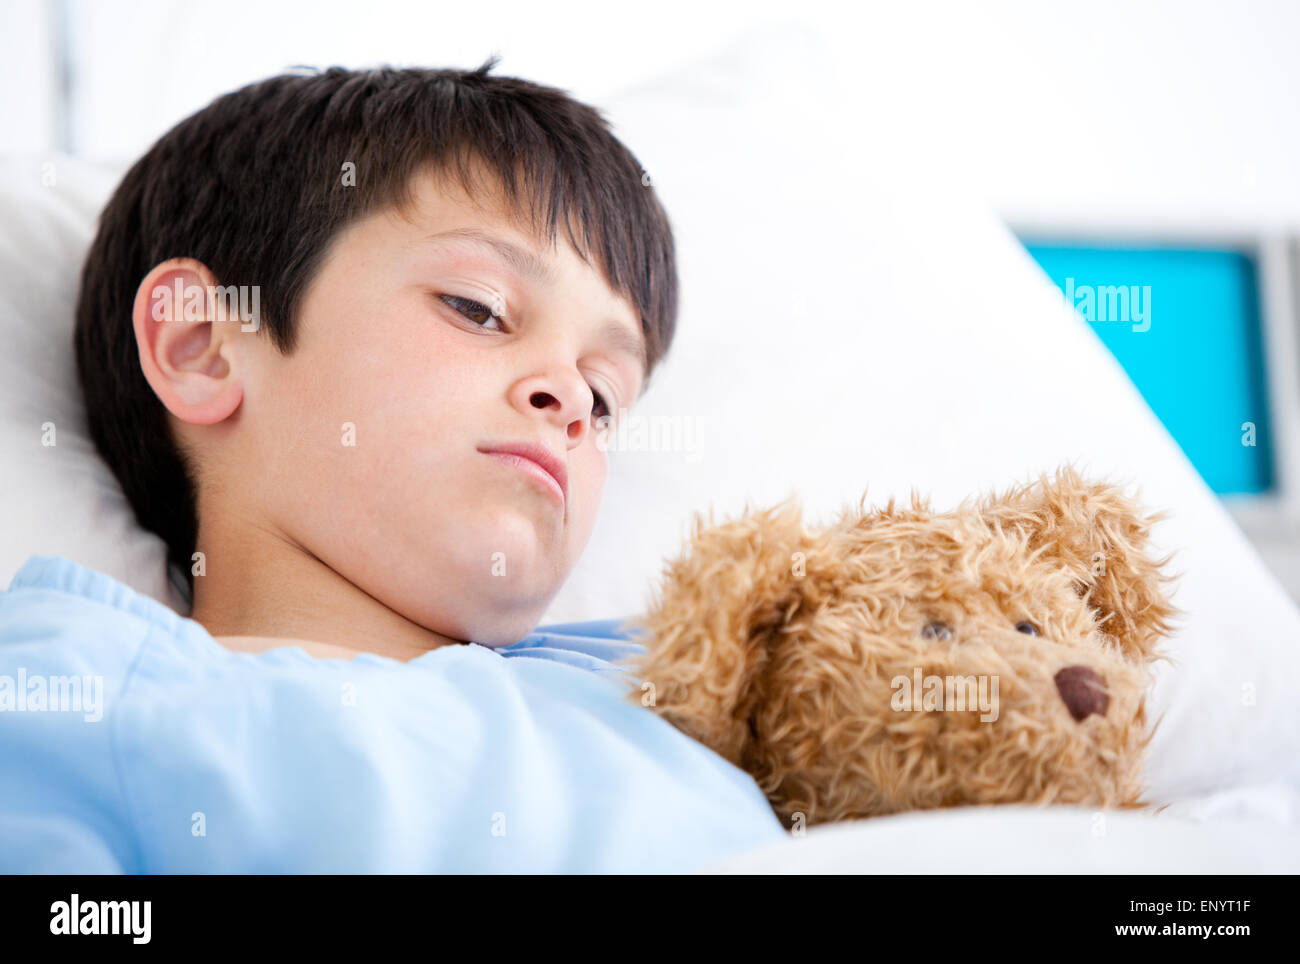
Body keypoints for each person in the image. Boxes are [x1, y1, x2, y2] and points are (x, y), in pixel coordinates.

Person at [0, 60, 788, 873]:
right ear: (202, 343)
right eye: (478, 309)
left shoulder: (682, 669)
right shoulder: (82, 693)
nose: (571, 398)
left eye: (604, 391)